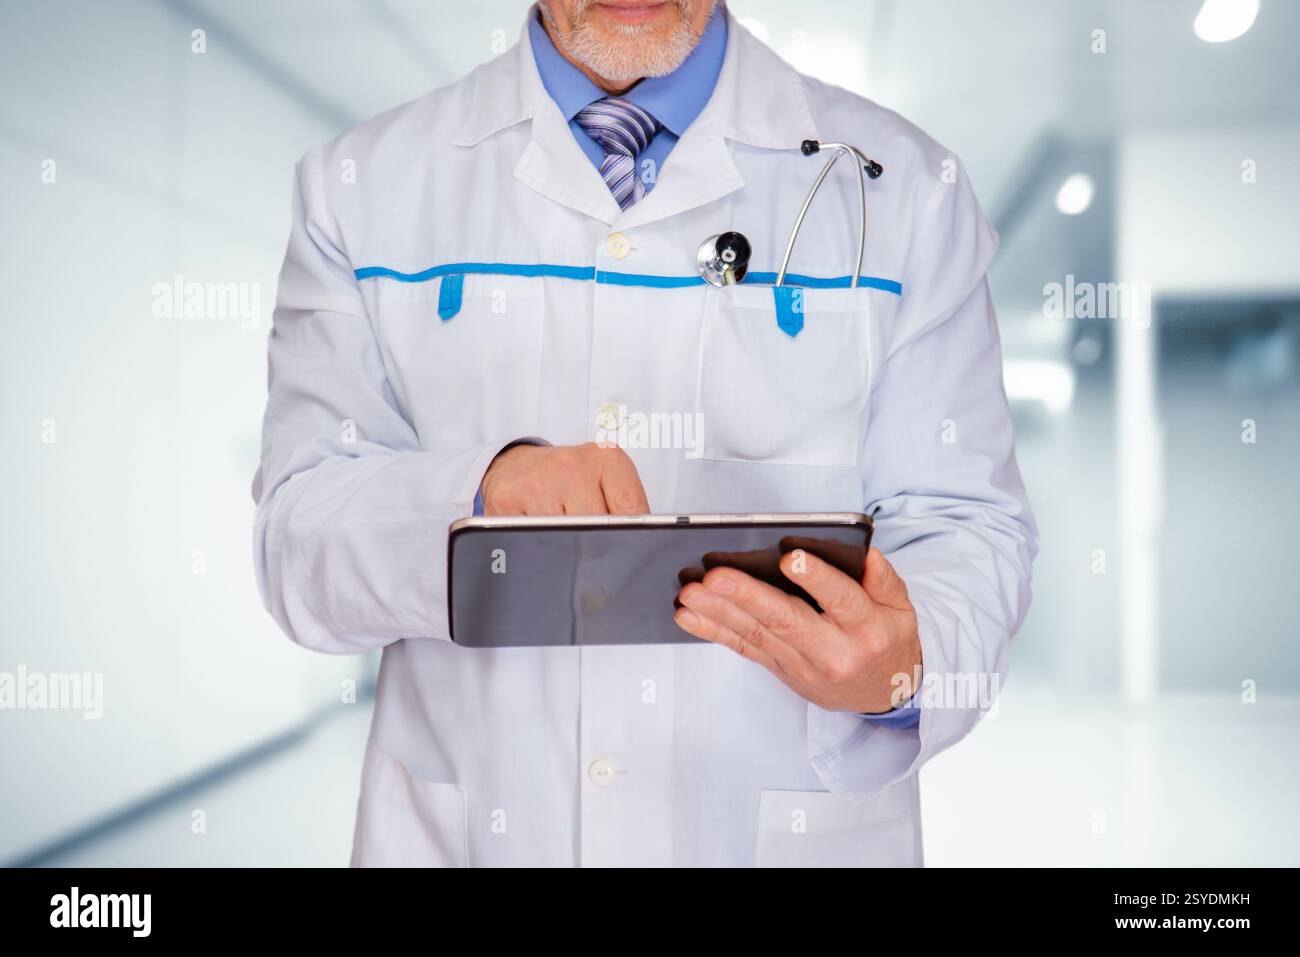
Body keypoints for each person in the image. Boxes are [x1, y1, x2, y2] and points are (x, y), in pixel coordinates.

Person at [252, 0, 1037, 866]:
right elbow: (298, 533)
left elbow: (968, 525)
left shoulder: (908, 194)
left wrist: (903, 662)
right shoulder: (360, 187)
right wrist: (476, 495)